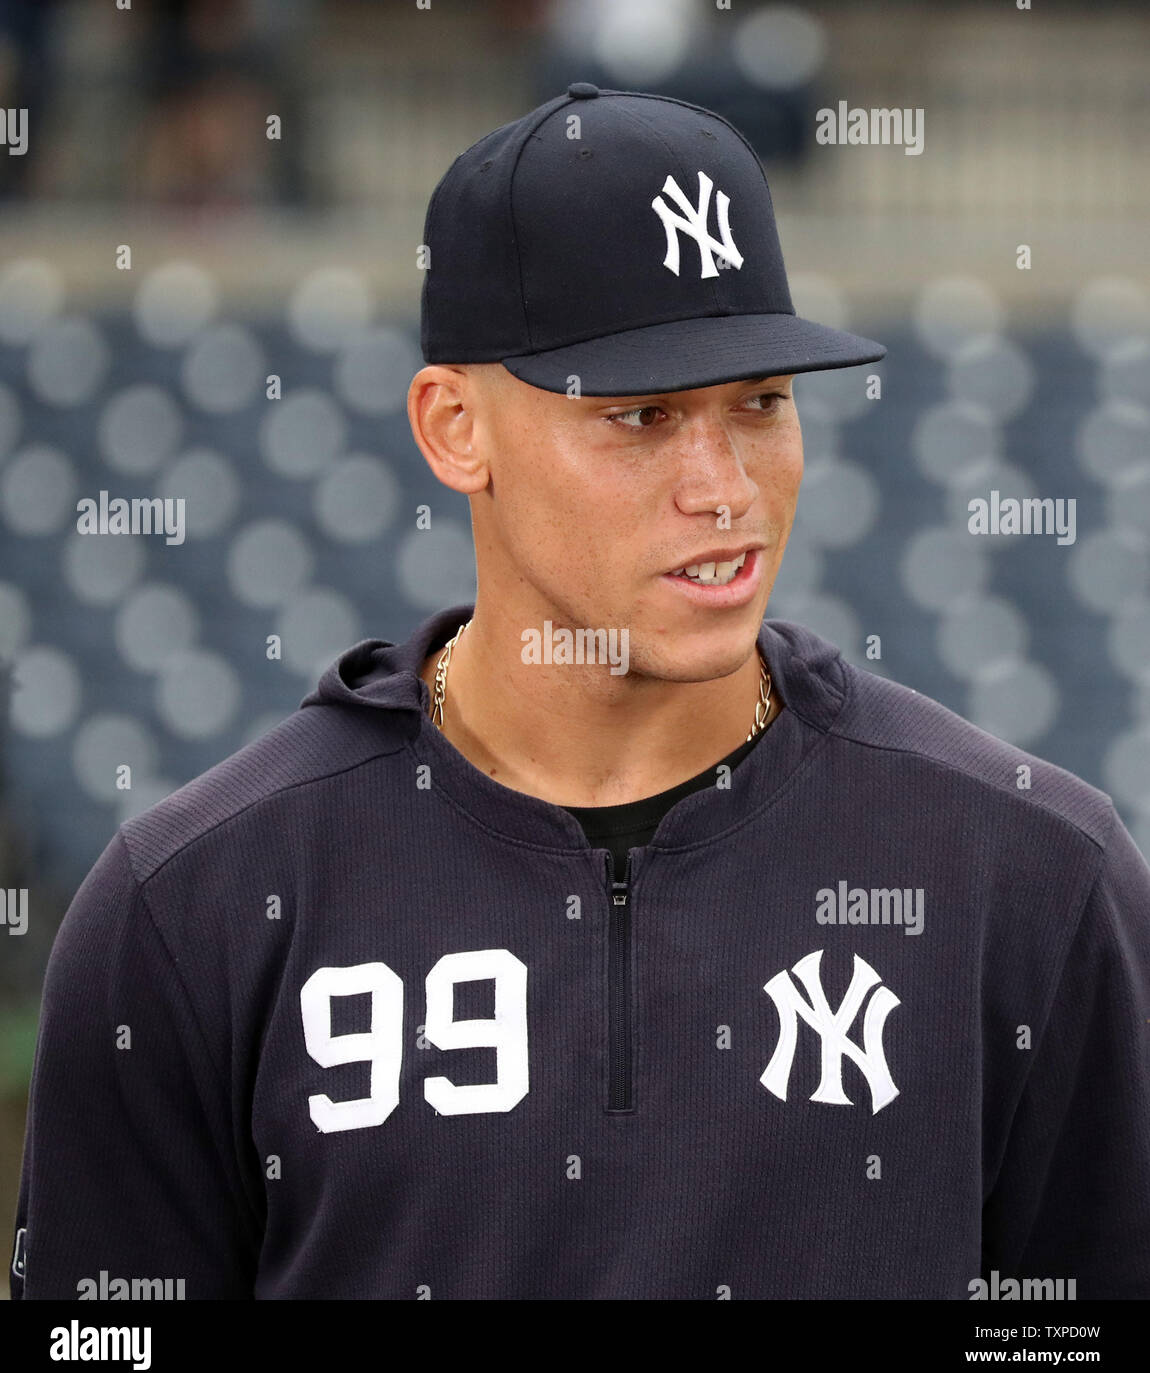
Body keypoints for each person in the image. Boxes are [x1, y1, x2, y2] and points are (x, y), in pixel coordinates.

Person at [10, 84, 1150, 1301]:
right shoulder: (194, 906)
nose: (723, 487)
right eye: (641, 416)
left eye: (759, 403)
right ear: (455, 429)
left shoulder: (1033, 872)